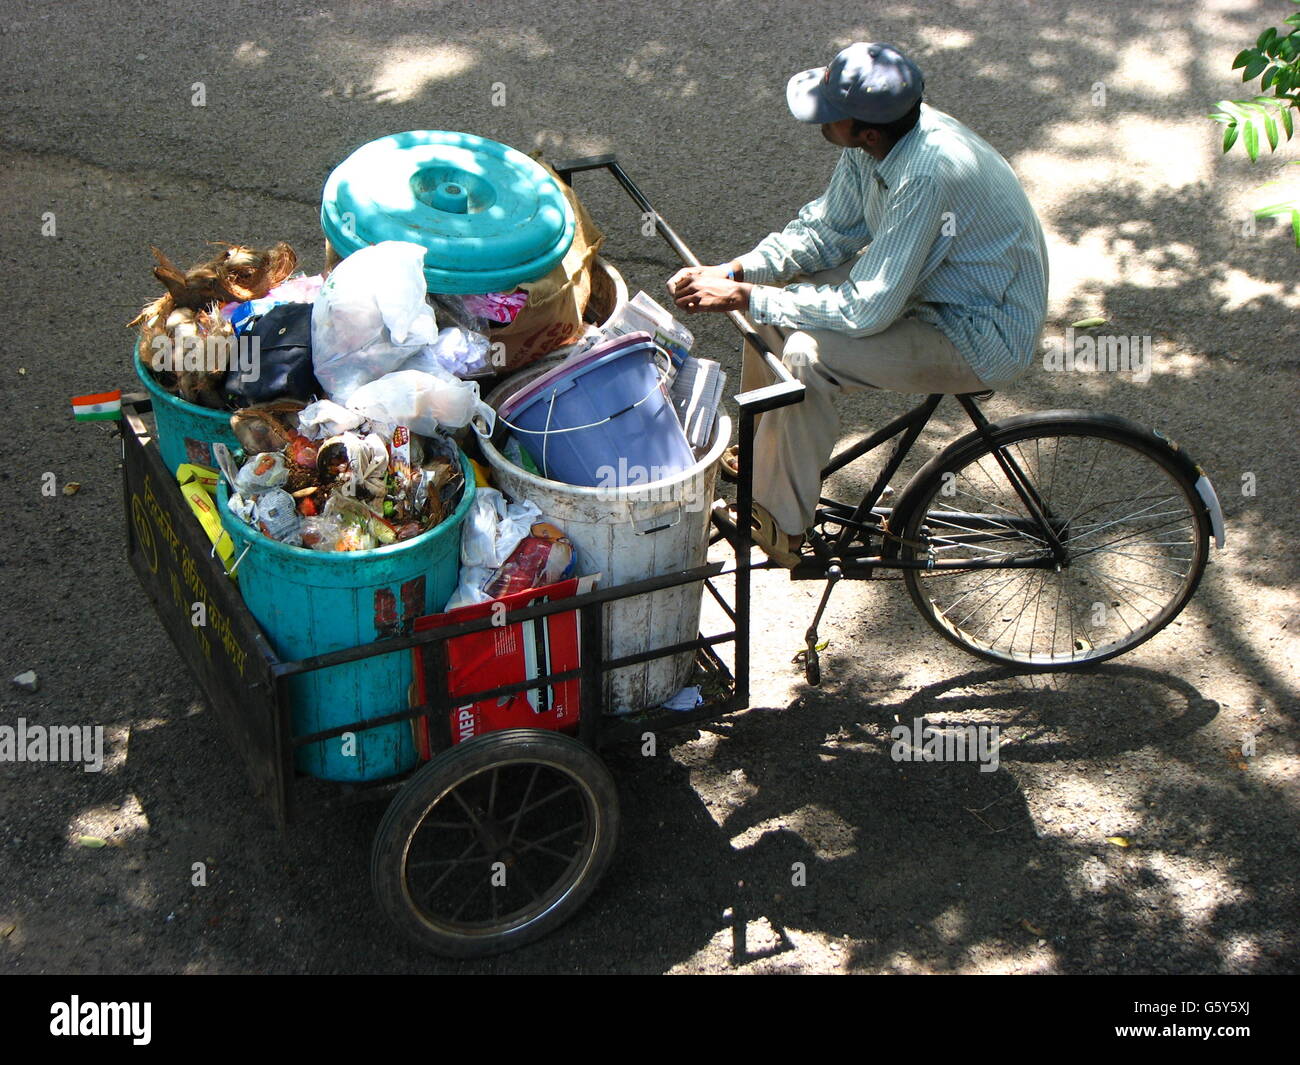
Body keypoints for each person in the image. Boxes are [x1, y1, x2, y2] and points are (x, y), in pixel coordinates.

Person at [667, 42, 1049, 565]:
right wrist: (735, 271)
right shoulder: (880, 136)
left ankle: (781, 524)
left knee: (807, 353)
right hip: (934, 285)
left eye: (831, 114)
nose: (820, 122)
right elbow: (827, 231)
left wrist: (747, 296)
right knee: (786, 299)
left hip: (976, 330)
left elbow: (866, 310)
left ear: (865, 129)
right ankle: (766, 453)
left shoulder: (925, 175)